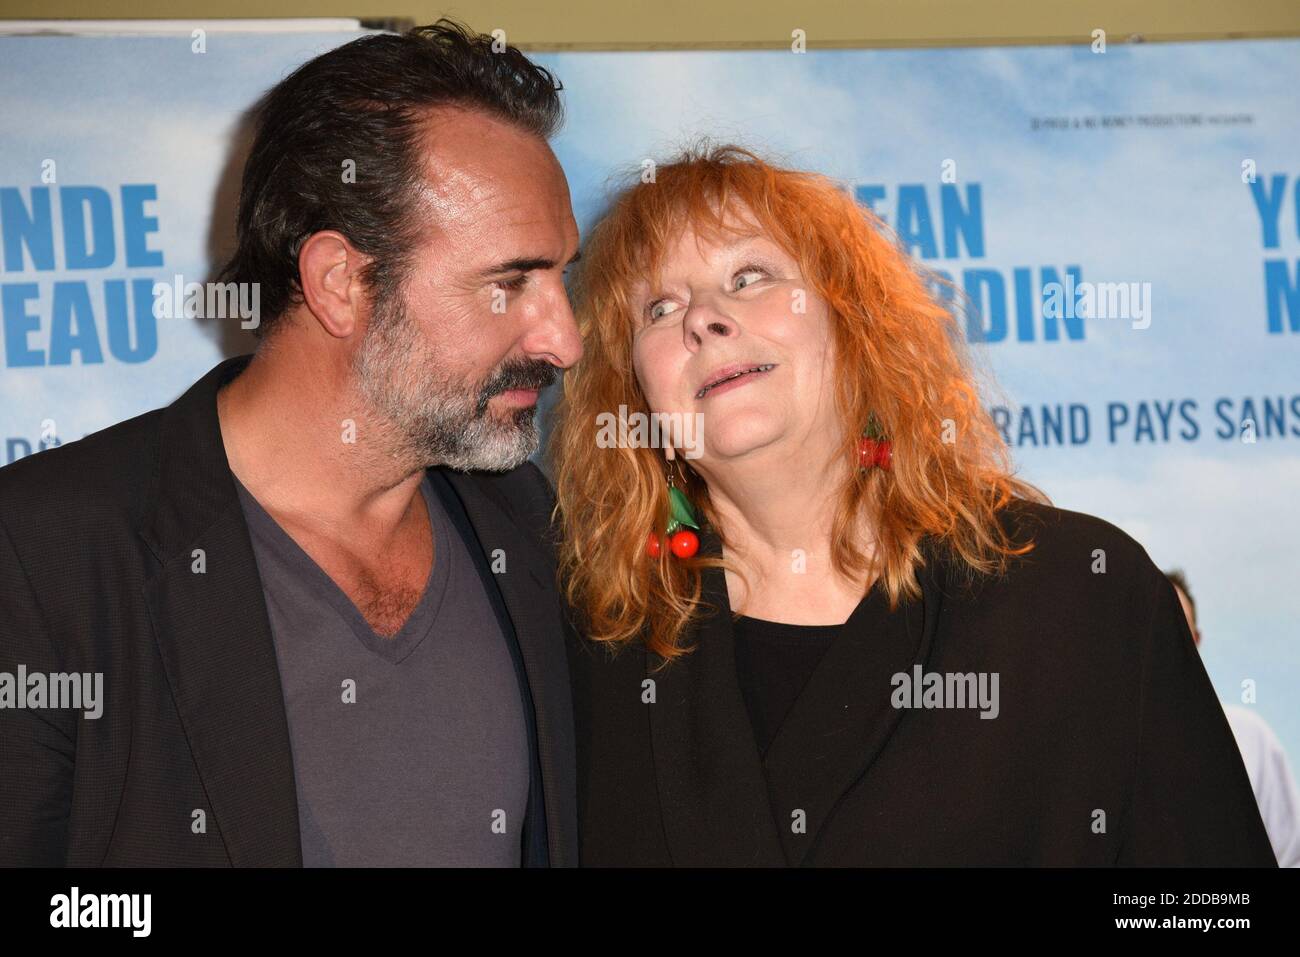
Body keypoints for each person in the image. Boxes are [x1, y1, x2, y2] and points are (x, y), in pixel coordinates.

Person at [551, 144, 1276, 866]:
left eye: (749, 275)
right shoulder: (596, 647)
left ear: (855, 321)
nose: (702, 318)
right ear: (633, 391)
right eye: (659, 305)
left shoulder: (1086, 595)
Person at [0, 20, 583, 867]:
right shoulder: (47, 552)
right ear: (340, 282)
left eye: (561, 276)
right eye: (510, 283)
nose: (563, 338)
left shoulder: (525, 522)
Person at [1167, 569, 1300, 867]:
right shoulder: (1106, 749)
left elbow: (1291, 855)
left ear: (1197, 639)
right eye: (1157, 632)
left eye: (1179, 630)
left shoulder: (1251, 737)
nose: (1168, 645)